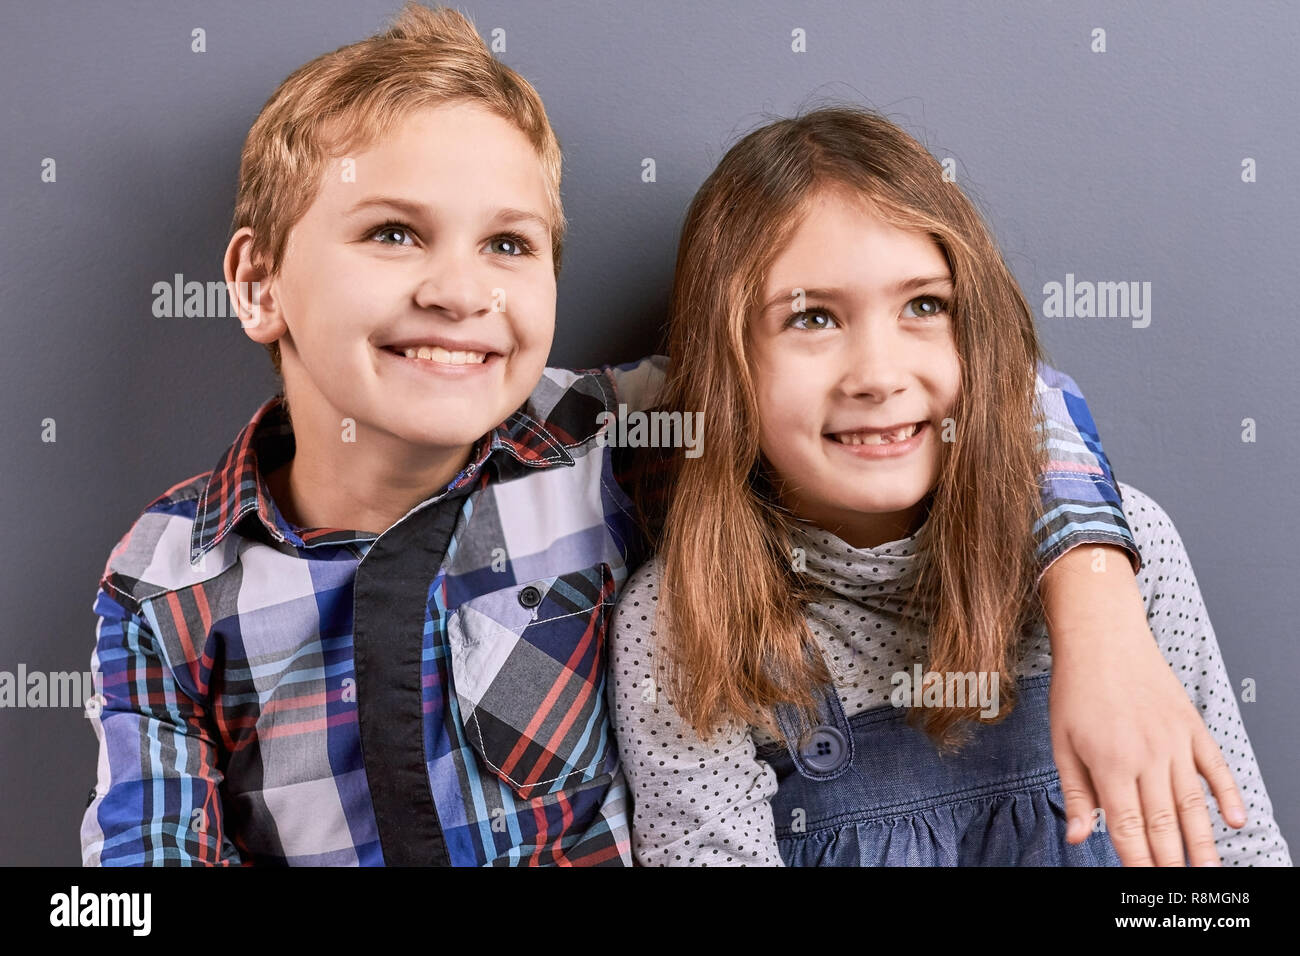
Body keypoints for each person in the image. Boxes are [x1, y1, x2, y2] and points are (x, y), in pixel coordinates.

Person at [81, 4, 1197, 866]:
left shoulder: (605, 440)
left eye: (509, 246)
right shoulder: (165, 578)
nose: (461, 291)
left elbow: (981, 391)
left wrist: (1096, 602)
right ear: (258, 281)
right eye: (393, 233)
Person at [609, 107, 1291, 866]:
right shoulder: (681, 625)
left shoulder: (1123, 554)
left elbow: (1235, 862)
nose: (878, 375)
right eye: (811, 319)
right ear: (727, 364)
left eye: (925, 306)